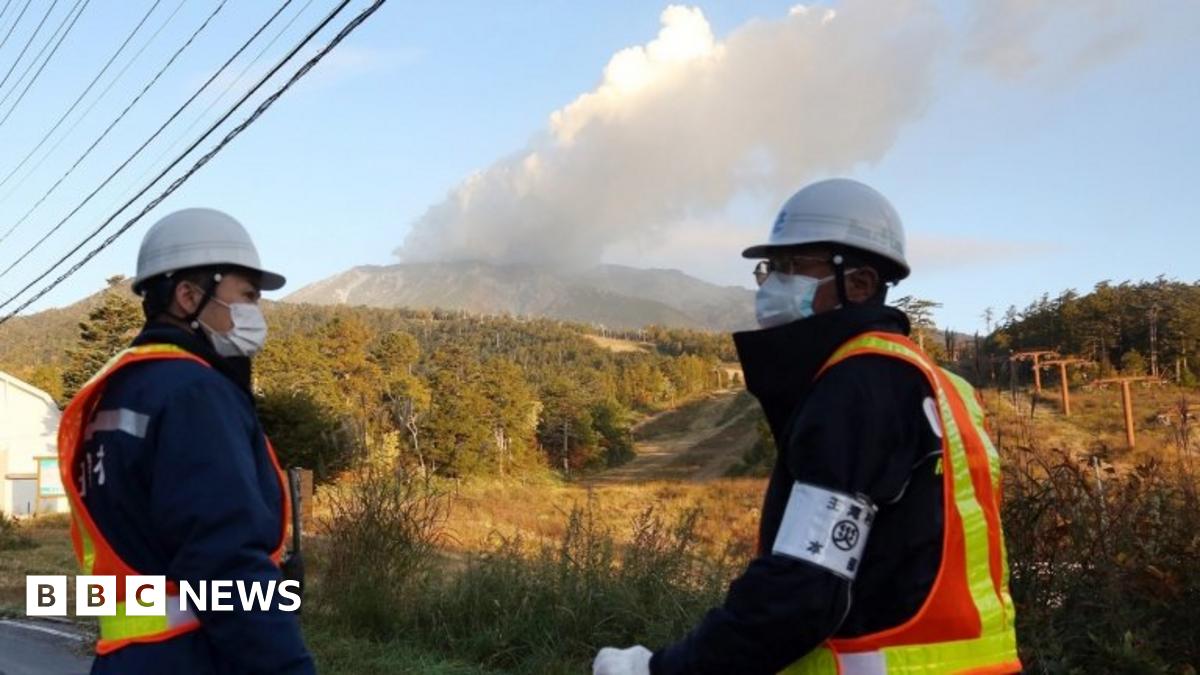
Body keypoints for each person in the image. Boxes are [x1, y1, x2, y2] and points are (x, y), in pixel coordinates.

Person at [593, 179, 1021, 675]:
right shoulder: (935, 384)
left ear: (859, 284)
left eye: (793, 267)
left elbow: (802, 590)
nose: (772, 284)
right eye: (770, 269)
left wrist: (661, 670)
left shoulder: (857, 384)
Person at [57, 208, 315, 674]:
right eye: (247, 296)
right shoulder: (193, 392)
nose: (255, 313)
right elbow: (225, 558)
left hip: (126, 660)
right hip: (191, 656)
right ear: (188, 296)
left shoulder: (119, 392)